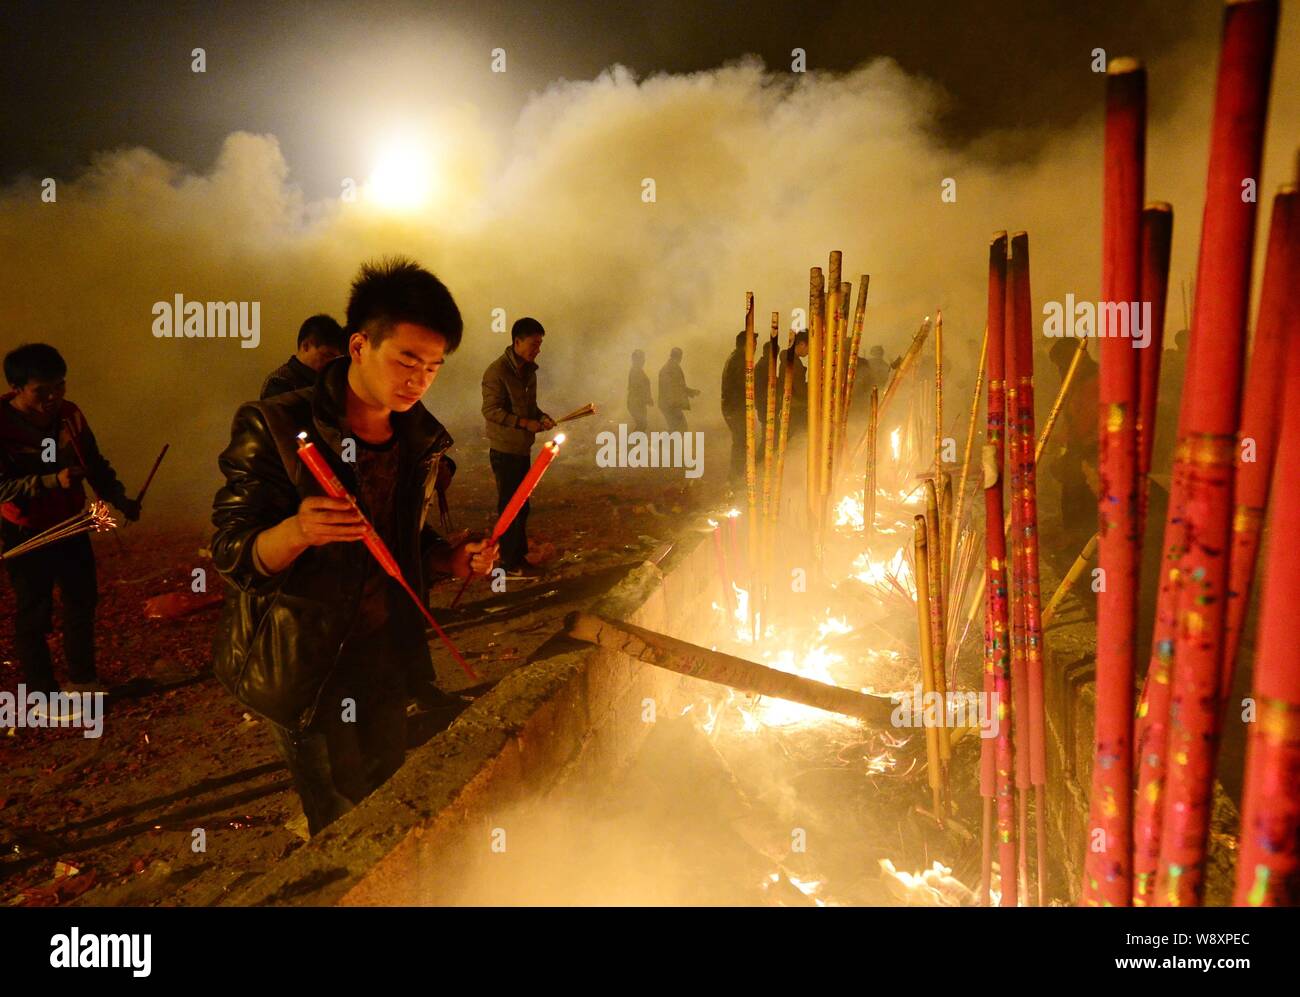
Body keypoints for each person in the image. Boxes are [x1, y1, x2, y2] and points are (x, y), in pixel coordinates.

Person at [211, 258, 497, 836]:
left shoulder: (417, 434)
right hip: (309, 662)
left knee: (390, 791)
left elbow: (400, 538)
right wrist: (298, 531)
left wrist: (447, 558)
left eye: (434, 367)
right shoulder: (275, 426)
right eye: (407, 360)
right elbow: (231, 552)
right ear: (360, 345)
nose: (419, 379)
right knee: (345, 817)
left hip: (386, 651)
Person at [1, 343, 140, 698]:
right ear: (16, 389)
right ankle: (42, 694)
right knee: (35, 613)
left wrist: (119, 498)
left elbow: (92, 461)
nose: (53, 397)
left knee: (81, 601)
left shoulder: (70, 415)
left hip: (73, 522)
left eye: (59, 385)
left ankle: (83, 683)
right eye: (41, 391)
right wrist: (52, 480)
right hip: (26, 529)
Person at [481, 317, 554, 578]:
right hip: (504, 450)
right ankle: (508, 564)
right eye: (534, 344)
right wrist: (524, 423)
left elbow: (529, 407)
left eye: (540, 344)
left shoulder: (528, 372)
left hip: (521, 448)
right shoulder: (497, 372)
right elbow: (490, 411)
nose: (538, 349)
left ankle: (516, 557)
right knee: (511, 506)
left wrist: (541, 417)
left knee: (521, 505)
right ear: (517, 342)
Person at [259, 314, 348, 399]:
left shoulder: (327, 380)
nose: (332, 362)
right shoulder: (278, 382)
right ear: (306, 346)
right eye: (327, 355)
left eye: (337, 358)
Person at [720, 331, 749, 484]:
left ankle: (736, 474)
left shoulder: (735, 358)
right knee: (741, 441)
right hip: (734, 408)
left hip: (732, 407)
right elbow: (741, 386)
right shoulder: (739, 360)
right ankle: (735, 476)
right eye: (753, 343)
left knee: (740, 441)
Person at [657, 347, 699, 433]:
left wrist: (691, 392)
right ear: (679, 357)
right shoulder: (672, 368)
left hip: (669, 404)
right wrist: (690, 392)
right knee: (681, 428)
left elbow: (677, 386)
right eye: (680, 356)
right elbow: (676, 387)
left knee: (676, 429)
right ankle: (660, 443)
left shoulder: (669, 367)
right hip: (671, 404)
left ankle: (662, 443)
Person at [626, 349, 653, 433]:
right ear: (637, 360)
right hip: (636, 403)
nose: (644, 360)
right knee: (642, 425)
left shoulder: (637, 370)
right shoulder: (636, 371)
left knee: (642, 425)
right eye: (642, 358)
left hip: (638, 403)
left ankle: (632, 444)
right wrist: (647, 398)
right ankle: (630, 445)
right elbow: (638, 388)